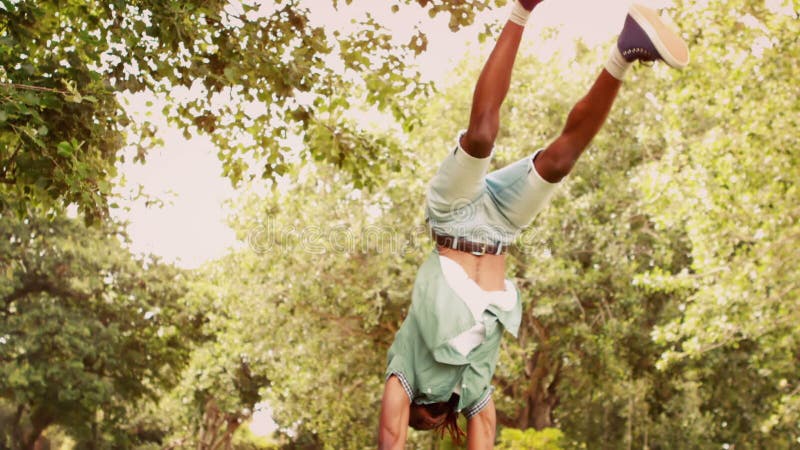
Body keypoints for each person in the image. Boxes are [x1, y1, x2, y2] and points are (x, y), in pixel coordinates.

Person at [377, 1, 689, 448]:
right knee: (559, 162)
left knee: (481, 134)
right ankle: (625, 50)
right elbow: (482, 437)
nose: (423, 421)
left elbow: (391, 434)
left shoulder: (405, 369)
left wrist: (404, 426)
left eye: (418, 420)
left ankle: (522, 7)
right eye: (430, 422)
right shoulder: (476, 388)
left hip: (453, 217)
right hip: (501, 230)